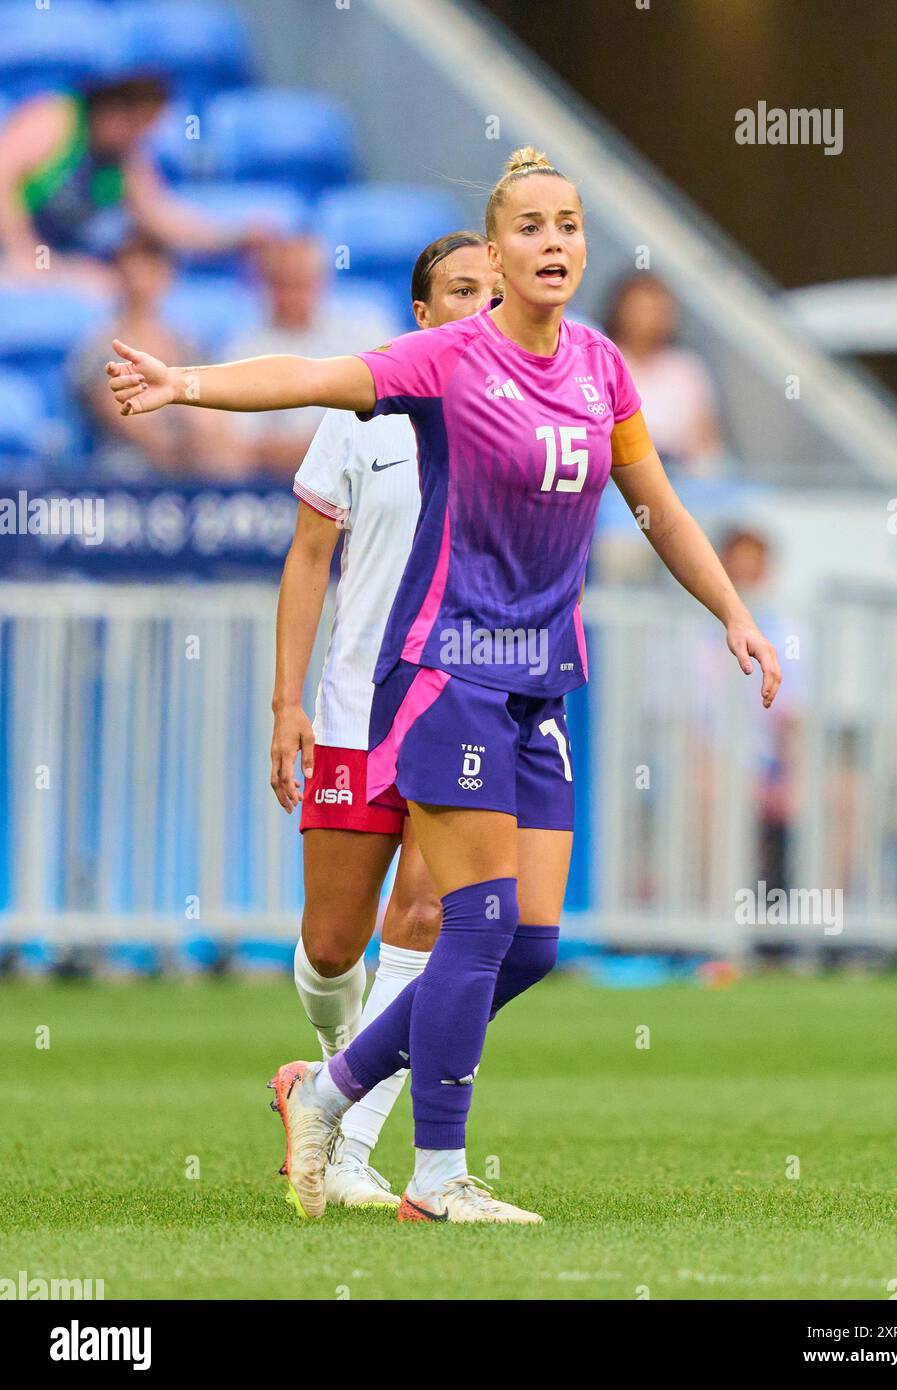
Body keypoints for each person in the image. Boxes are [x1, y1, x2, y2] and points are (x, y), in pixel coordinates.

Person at [106, 146, 781, 1226]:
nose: (552, 243)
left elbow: (652, 502)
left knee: (532, 942)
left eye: (567, 224)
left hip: (539, 679)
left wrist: (733, 612)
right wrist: (187, 383)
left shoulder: (605, 368)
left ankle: (326, 1090)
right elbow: (317, 378)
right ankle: (436, 1176)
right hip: (446, 668)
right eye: (529, 228)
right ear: (496, 251)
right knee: (468, 920)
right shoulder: (451, 359)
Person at [269, 230, 503, 1208]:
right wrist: (287, 701)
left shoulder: (520, 418)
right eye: (460, 291)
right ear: (420, 314)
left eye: (494, 294)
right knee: (333, 943)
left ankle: (352, 1141)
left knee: (427, 917)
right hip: (356, 706)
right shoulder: (364, 409)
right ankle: (324, 1075)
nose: (481, 309)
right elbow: (310, 557)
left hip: (458, 707)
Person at [0, 76, 263, 288]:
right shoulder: (58, 118)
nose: (137, 136)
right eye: (134, 123)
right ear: (111, 107)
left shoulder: (127, 156)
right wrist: (24, 251)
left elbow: (161, 218)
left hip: (53, 263)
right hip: (13, 254)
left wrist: (233, 237)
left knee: (112, 284)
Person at [222, 236, 399, 476]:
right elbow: (242, 444)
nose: (292, 294)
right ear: (264, 284)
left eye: (302, 282)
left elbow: (391, 411)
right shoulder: (243, 348)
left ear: (322, 281)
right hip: (275, 485)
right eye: (282, 283)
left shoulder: (365, 329)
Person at [71, 231, 234, 479]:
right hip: (125, 459)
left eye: (152, 267)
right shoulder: (98, 346)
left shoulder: (186, 342)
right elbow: (118, 413)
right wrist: (168, 451)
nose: (142, 279)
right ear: (119, 274)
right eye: (134, 269)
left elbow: (211, 406)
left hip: (192, 453)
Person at [603, 271, 722, 476]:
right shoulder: (600, 362)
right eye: (639, 310)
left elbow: (705, 439)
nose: (647, 320)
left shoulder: (686, 367)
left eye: (655, 310)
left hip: (679, 476)